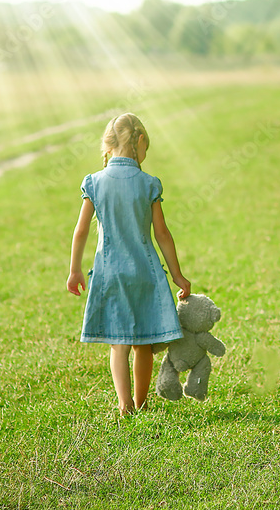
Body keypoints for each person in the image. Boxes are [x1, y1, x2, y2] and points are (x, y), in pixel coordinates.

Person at [66, 112, 191, 416]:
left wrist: (75, 269)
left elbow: (81, 229)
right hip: (145, 272)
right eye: (145, 149)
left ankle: (124, 405)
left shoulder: (94, 182)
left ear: (108, 146)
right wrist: (178, 275)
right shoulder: (149, 184)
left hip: (110, 273)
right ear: (138, 141)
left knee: (118, 344)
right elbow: (161, 233)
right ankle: (142, 401)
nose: (145, 156)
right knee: (143, 343)